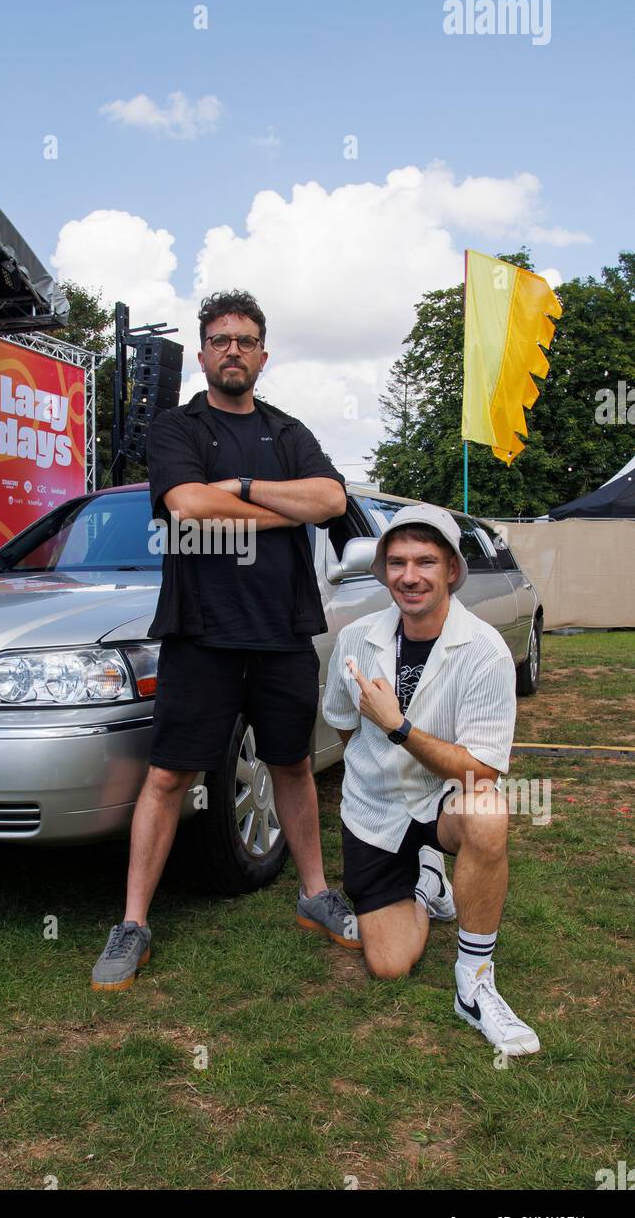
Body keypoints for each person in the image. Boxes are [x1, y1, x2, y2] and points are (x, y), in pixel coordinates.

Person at [92, 289, 351, 990]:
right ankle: (134, 924)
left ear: (263, 354)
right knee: (170, 774)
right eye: (220, 339)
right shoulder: (176, 430)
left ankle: (315, 895)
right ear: (203, 352)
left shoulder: (288, 429)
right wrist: (277, 504)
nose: (232, 349)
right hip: (199, 631)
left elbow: (331, 499)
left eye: (245, 339)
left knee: (292, 764)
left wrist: (235, 487)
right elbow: (186, 505)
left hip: (281, 630)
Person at [322, 504, 539, 1054]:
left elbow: (482, 770)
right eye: (396, 562)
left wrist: (398, 729)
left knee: (487, 810)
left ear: (450, 570)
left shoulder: (486, 649)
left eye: (425, 561)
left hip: (443, 804)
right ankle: (427, 881)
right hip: (375, 812)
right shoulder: (356, 640)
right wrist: (381, 761)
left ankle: (474, 980)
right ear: (382, 571)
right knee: (389, 965)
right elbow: (346, 732)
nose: (410, 576)